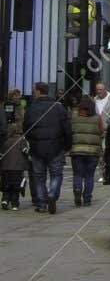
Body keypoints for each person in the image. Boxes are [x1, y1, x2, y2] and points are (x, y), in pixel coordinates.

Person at [22, 81, 73, 213]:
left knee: (39, 176)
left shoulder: (31, 108)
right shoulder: (59, 107)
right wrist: (67, 146)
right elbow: (67, 129)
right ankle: (52, 195)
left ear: (38, 91)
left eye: (34, 90)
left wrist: (31, 141)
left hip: (37, 147)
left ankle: (41, 204)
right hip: (56, 146)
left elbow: (26, 128)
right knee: (56, 174)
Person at [69, 97, 103, 207]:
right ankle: (87, 199)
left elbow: (70, 131)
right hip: (93, 152)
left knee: (77, 174)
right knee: (89, 176)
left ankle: (77, 190)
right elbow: (102, 132)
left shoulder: (74, 118)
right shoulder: (97, 119)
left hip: (77, 150)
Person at [1, 89, 26, 210]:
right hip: (16, 163)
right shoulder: (14, 107)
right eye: (17, 95)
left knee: (6, 180)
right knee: (15, 181)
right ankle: (14, 202)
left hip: (6, 159)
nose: (19, 97)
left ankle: (5, 199)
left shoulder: (7, 106)